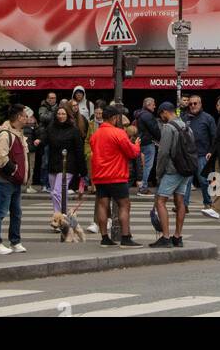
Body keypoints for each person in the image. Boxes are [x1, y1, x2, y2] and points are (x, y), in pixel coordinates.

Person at [89, 102, 141, 246]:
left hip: (100, 176)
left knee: (102, 205)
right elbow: (132, 153)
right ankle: (125, 237)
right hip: (116, 175)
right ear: (114, 118)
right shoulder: (118, 133)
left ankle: (104, 237)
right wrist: (136, 144)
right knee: (124, 205)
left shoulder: (96, 135)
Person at [0, 103, 28, 254]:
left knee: (16, 212)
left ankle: (15, 241)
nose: (27, 118)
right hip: (5, 180)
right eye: (25, 116)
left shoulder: (18, 133)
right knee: (0, 211)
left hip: (15, 180)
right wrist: (14, 169)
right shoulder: (6, 134)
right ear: (18, 117)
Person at [151, 101, 192, 247]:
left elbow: (163, 153)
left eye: (161, 115)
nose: (161, 118)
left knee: (160, 201)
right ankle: (178, 237)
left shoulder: (169, 128)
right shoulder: (187, 126)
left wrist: (158, 173)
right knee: (180, 202)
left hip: (172, 170)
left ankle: (166, 237)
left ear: (164, 112)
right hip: (185, 170)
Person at [43, 102, 86, 212]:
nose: (61, 116)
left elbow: (79, 150)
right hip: (53, 164)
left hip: (68, 164)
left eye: (63, 114)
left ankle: (59, 218)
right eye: (59, 113)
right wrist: (38, 141)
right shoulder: (51, 128)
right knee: (56, 192)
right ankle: (63, 215)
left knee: (57, 192)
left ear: (67, 115)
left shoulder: (74, 130)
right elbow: (44, 140)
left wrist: (83, 170)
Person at [182, 95, 217, 217]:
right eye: (190, 104)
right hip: (188, 155)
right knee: (186, 181)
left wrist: (211, 151)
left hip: (203, 154)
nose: (192, 106)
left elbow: (214, 136)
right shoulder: (185, 117)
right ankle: (184, 205)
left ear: (200, 104)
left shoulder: (208, 118)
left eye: (195, 103)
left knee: (203, 180)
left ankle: (208, 203)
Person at [133, 96, 160, 195]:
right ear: (148, 105)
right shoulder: (147, 115)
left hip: (141, 141)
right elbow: (154, 129)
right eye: (153, 104)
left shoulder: (139, 114)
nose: (154, 106)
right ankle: (143, 188)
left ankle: (142, 186)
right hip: (148, 142)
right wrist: (160, 138)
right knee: (148, 166)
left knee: (142, 165)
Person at [38, 92, 58, 190]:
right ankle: (44, 184)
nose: (52, 100)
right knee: (45, 162)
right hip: (46, 138)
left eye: (54, 98)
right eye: (50, 98)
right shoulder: (43, 107)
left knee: (54, 162)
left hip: (55, 138)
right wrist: (54, 114)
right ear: (47, 99)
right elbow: (42, 117)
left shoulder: (58, 108)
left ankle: (51, 184)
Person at [21, 107, 38, 193]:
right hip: (29, 150)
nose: (33, 118)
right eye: (31, 116)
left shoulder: (28, 127)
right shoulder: (29, 128)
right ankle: (28, 185)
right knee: (30, 167)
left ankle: (27, 185)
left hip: (28, 149)